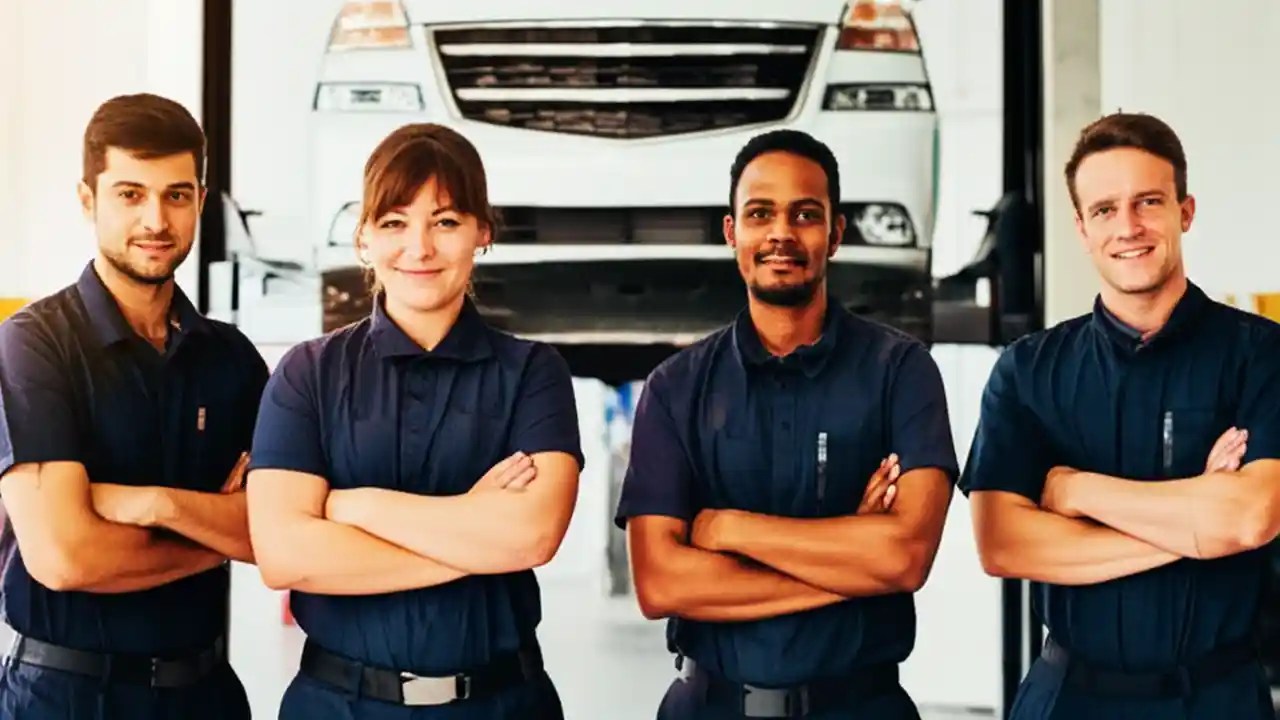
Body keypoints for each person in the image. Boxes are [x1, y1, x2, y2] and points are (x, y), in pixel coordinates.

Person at [614, 129, 960, 719]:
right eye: (760, 214)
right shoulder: (676, 387)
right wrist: (851, 559)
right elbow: (661, 583)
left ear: (835, 233)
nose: (781, 233)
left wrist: (728, 529)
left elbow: (904, 557)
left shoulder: (901, 372)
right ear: (733, 233)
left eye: (805, 214)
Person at [245, 123, 584, 719]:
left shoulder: (533, 373)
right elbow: (284, 555)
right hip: (339, 705)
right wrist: (475, 537)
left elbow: (531, 536)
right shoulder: (308, 375)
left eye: (446, 222)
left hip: (501, 704)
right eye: (395, 222)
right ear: (363, 237)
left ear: (483, 231)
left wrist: (355, 507)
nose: (419, 248)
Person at [960, 111, 1280, 720]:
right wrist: (1194, 521)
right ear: (1081, 228)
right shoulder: (1028, 371)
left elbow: (1248, 518)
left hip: (1219, 700)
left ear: (1185, 212)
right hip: (1069, 698)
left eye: (1148, 202)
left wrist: (1074, 490)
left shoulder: (1262, 355)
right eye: (1105, 210)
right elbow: (1003, 544)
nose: (1128, 227)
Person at [0, 93, 265, 718]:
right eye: (129, 194)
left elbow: (276, 530)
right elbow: (65, 557)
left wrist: (152, 503)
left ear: (200, 201)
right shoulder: (33, 345)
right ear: (88, 199)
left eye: (176, 195)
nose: (156, 219)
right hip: (66, 696)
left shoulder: (231, 359)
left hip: (206, 694)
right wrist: (215, 532)